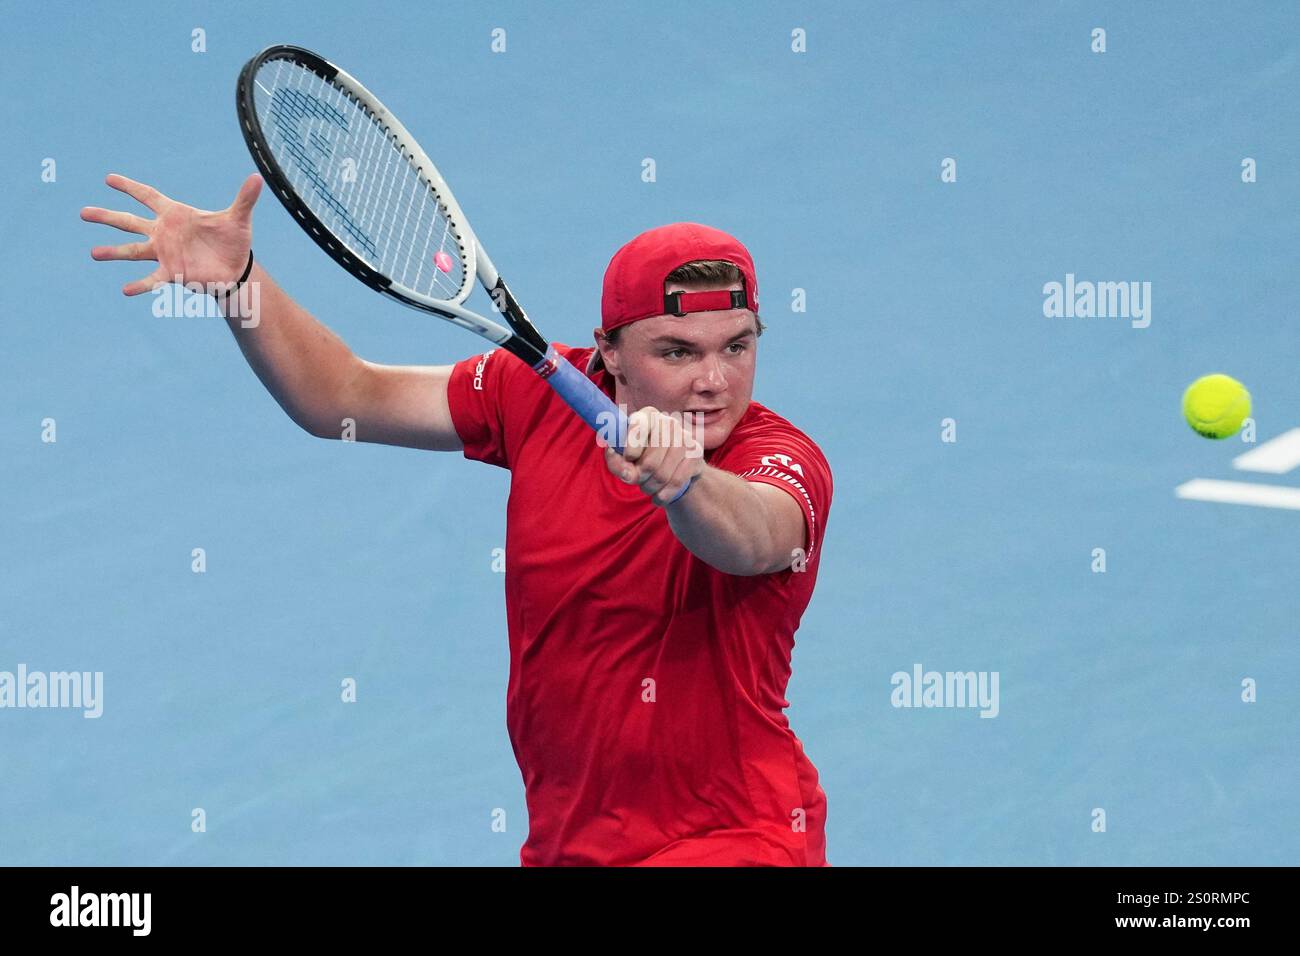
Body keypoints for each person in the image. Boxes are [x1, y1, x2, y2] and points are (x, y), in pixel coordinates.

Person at [82, 172, 834, 866]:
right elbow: (343, 397)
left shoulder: (780, 458)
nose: (713, 381)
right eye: (677, 351)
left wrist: (686, 484)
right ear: (609, 352)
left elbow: (756, 538)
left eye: (737, 347)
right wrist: (239, 285)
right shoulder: (537, 394)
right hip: (575, 842)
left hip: (737, 837)